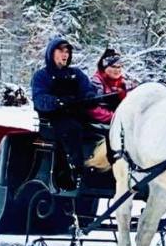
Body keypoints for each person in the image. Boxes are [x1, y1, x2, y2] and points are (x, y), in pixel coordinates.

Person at [31, 37, 94, 189]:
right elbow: (39, 99)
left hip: (77, 117)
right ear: (51, 53)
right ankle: (74, 171)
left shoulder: (76, 74)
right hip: (52, 121)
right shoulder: (41, 76)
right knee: (72, 130)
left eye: (67, 51)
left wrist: (90, 98)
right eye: (61, 51)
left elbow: (89, 90)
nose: (65, 54)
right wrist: (57, 102)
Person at [88, 48, 130, 124]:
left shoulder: (124, 83)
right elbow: (91, 108)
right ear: (104, 68)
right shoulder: (95, 83)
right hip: (100, 123)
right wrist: (114, 117)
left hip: (121, 120)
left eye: (119, 67)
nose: (117, 70)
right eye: (113, 66)